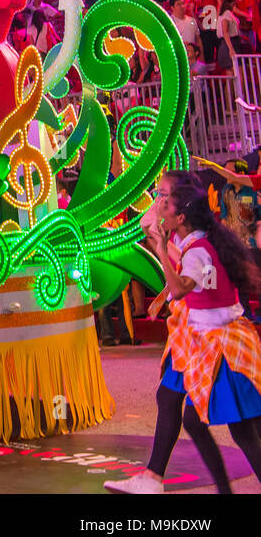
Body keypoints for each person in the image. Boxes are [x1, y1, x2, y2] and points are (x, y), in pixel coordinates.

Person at [106, 173, 261, 493]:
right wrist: (160, 237)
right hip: (193, 331)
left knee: (242, 428)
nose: (157, 199)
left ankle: (215, 488)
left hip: (215, 339)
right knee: (170, 397)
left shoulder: (197, 245)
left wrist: (161, 250)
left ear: (180, 210)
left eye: (163, 194)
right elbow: (162, 238)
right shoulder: (186, 233)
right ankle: (152, 479)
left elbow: (182, 282)